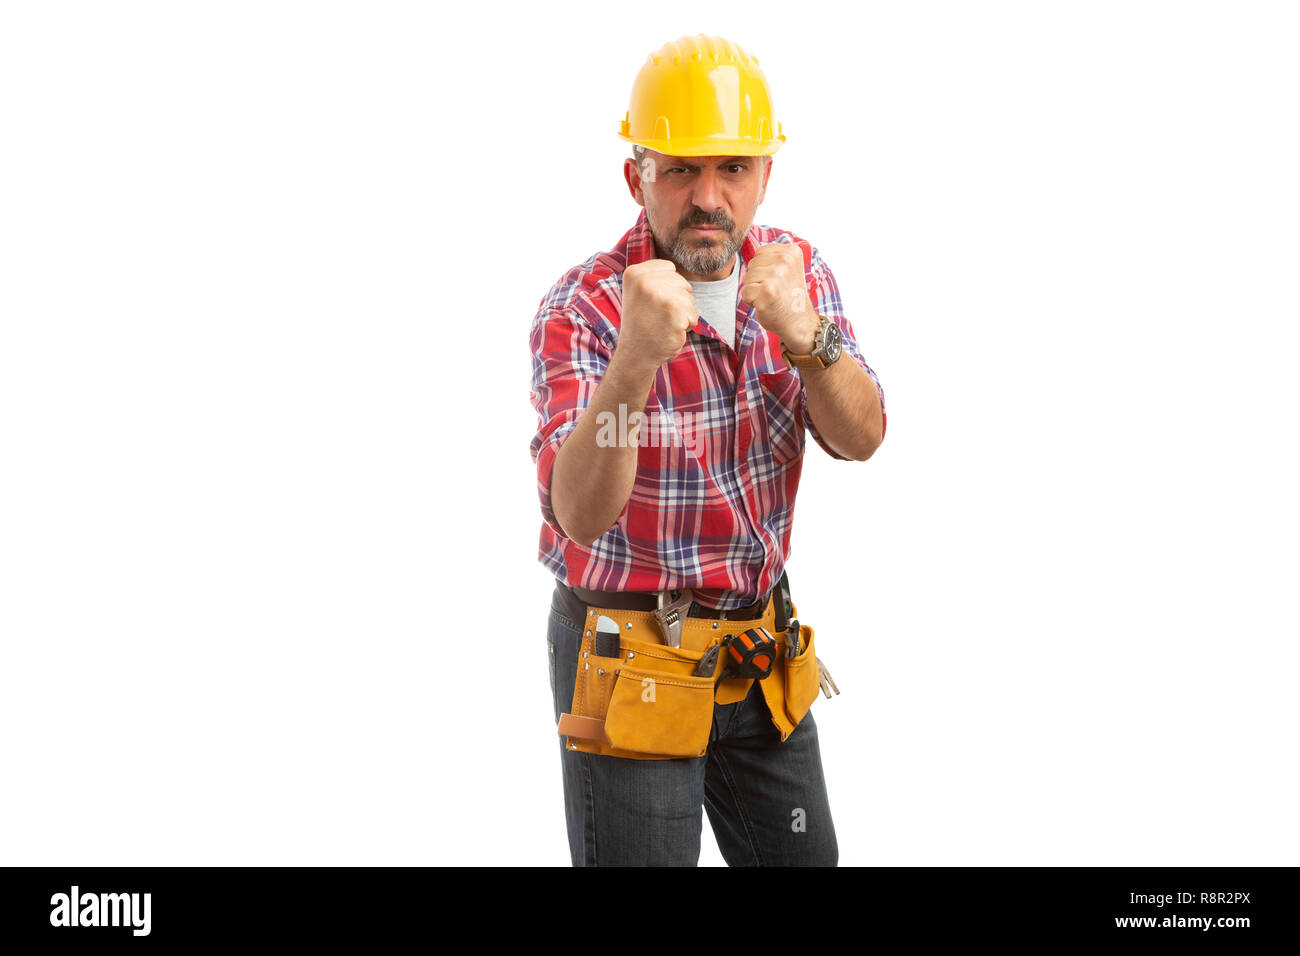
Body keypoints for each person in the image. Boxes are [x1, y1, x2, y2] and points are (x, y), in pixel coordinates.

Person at [529, 34, 886, 866]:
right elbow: (580, 515)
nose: (708, 197)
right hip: (629, 655)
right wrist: (635, 359)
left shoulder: (799, 277)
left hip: (757, 658)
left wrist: (807, 336)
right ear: (637, 177)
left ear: (765, 175)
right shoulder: (581, 308)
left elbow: (862, 436)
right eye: (679, 169)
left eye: (731, 168)